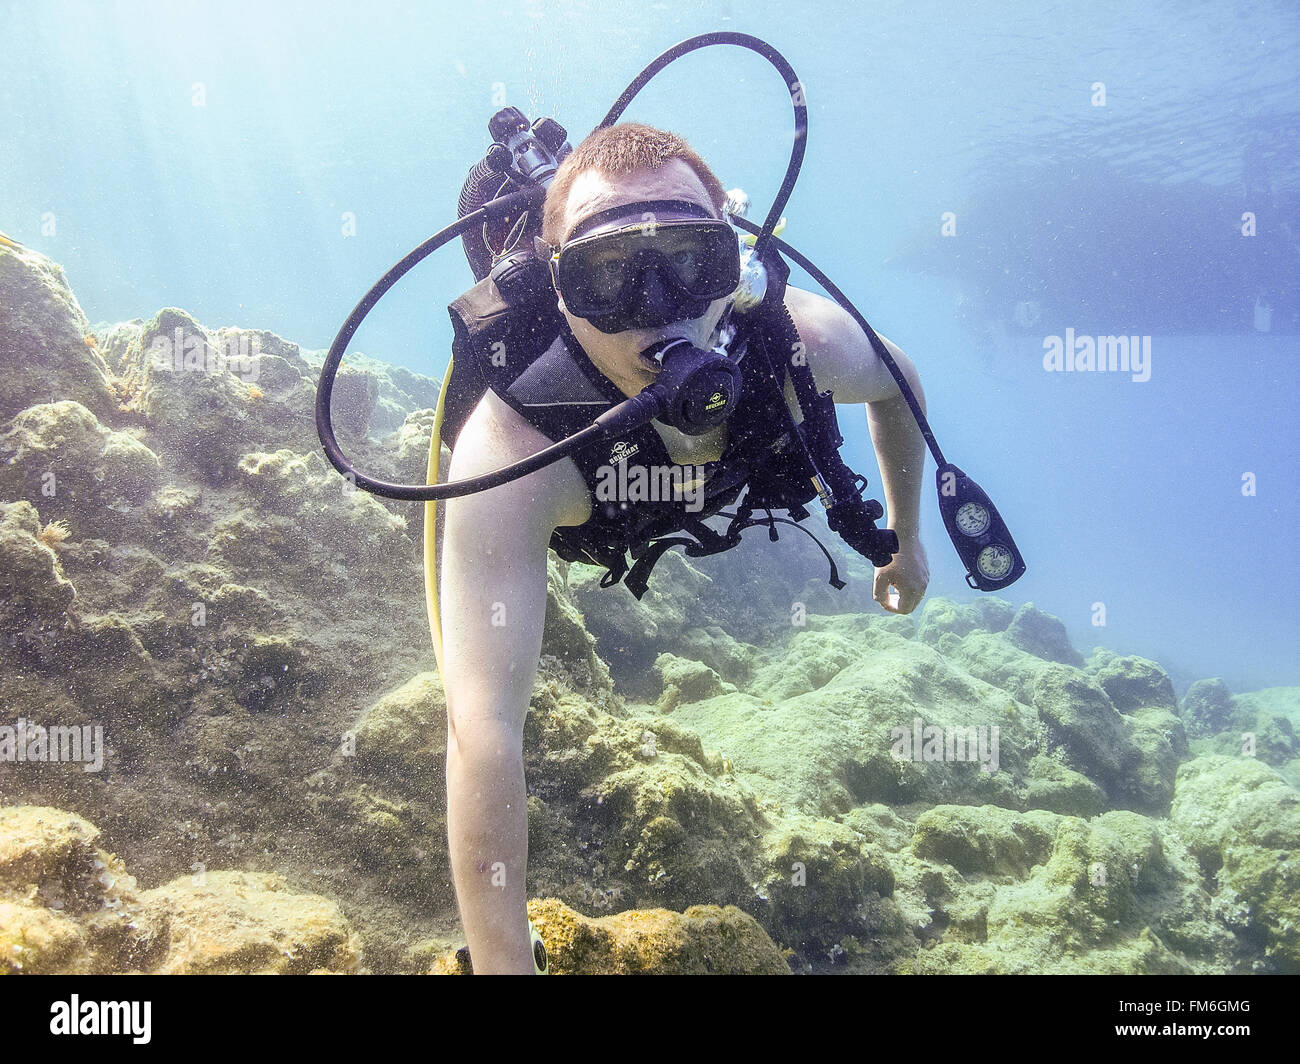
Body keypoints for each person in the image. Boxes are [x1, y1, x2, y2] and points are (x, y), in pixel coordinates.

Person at [438, 123, 929, 973]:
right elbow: (484, 728)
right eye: (607, 276)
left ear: (733, 267)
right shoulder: (516, 450)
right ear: (556, 291)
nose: (661, 309)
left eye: (693, 263)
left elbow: (899, 381)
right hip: (588, 516)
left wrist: (908, 539)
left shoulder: (792, 347)